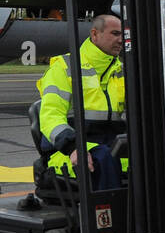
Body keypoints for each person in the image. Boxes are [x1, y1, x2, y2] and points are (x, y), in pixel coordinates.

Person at [35, 14, 127, 189]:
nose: (121, 40)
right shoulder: (65, 68)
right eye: (115, 34)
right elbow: (50, 117)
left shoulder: (121, 71)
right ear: (94, 34)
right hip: (68, 150)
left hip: (110, 145)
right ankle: (113, 216)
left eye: (123, 35)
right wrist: (73, 147)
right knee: (103, 158)